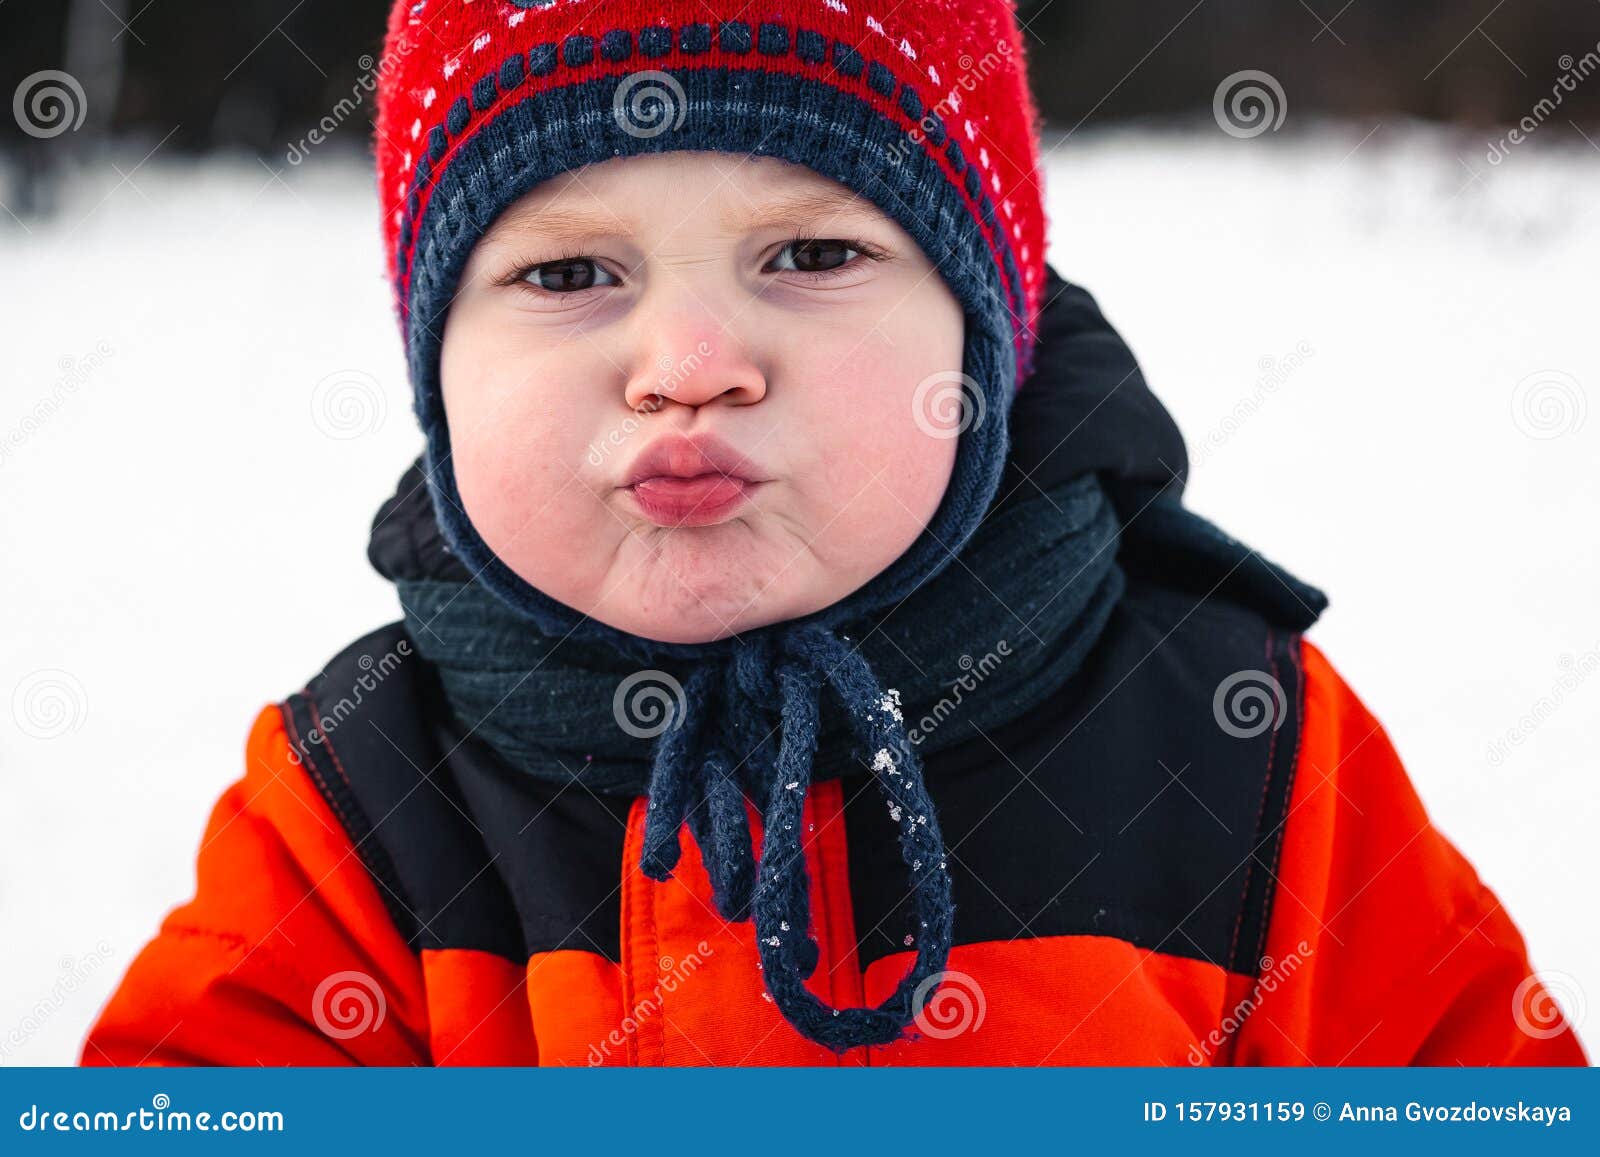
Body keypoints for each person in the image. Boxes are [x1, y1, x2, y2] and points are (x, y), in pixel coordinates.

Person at [81, 0, 1586, 1066]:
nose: (688, 360)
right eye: (566, 274)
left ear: (985, 340)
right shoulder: (362, 805)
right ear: (435, 371)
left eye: (810, 252)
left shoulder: (1240, 750)